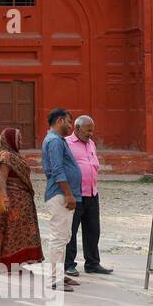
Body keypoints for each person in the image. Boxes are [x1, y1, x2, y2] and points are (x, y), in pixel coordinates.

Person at [0, 127, 44, 268]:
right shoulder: (6, 156)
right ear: (9, 140)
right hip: (12, 202)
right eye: (18, 138)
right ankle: (7, 264)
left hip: (23, 202)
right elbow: (2, 179)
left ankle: (18, 263)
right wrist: (4, 199)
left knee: (21, 234)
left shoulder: (15, 155)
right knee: (10, 234)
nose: (20, 140)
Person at [40, 108, 81, 292]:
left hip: (62, 194)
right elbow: (57, 170)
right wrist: (69, 194)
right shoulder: (54, 141)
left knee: (64, 236)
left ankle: (59, 273)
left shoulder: (58, 140)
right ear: (59, 121)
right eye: (69, 122)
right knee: (58, 237)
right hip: (59, 194)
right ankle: (54, 279)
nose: (71, 127)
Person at [66, 115, 112, 274]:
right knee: (70, 232)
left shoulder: (91, 143)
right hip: (75, 194)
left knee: (93, 230)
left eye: (92, 130)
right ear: (77, 128)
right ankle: (68, 264)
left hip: (92, 193)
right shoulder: (66, 143)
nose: (91, 133)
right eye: (88, 130)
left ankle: (92, 263)